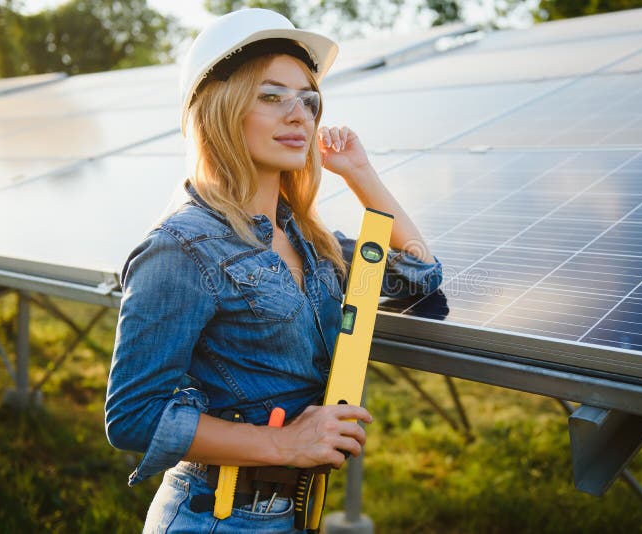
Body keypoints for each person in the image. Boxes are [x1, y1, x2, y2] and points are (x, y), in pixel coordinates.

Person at [105, 8, 442, 533]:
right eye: (271, 96)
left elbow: (421, 273)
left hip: (293, 514)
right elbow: (132, 415)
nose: (299, 114)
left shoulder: (315, 244)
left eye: (309, 101)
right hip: (213, 516)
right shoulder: (180, 248)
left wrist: (360, 172)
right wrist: (282, 442)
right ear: (220, 110)